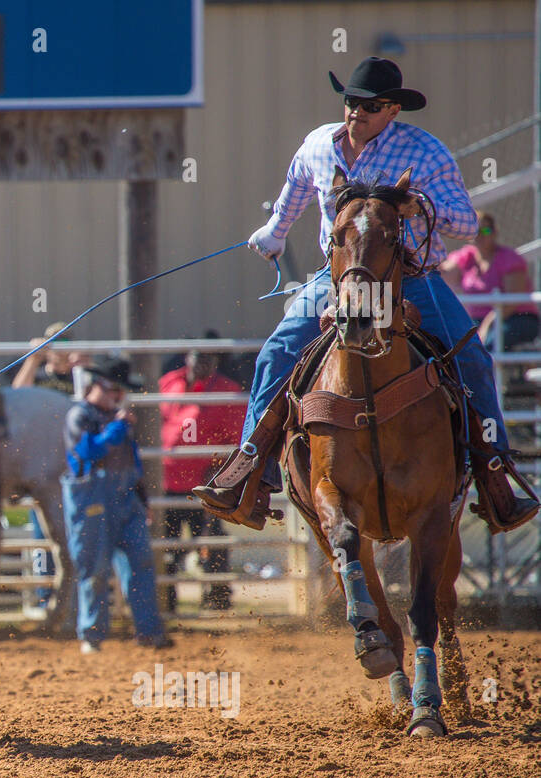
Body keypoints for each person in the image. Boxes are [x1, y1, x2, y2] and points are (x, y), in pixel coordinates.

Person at [193, 56, 539, 534]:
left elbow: (466, 221)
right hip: (339, 280)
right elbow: (297, 184)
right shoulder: (319, 144)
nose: (357, 112)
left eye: (370, 105)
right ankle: (250, 469)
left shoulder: (426, 152)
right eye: (352, 102)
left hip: (413, 278)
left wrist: (421, 206)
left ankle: (495, 477)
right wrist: (275, 231)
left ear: (393, 110)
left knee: (474, 359)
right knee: (276, 351)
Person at [62, 357, 168, 653]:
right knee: (94, 568)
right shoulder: (79, 416)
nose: (119, 397)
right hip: (94, 497)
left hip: (125, 497)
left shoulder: (114, 420)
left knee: (141, 564)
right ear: (98, 386)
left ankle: (148, 631)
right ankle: (91, 635)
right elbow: (87, 451)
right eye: (115, 391)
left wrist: (142, 498)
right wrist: (117, 430)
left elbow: (131, 460)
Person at [158, 340, 246, 612]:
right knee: (166, 545)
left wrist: (218, 471)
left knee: (211, 542)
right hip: (168, 482)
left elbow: (237, 441)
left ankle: (217, 599)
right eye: (197, 357)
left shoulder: (228, 392)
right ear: (188, 357)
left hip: (203, 484)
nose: (202, 363)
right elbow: (154, 423)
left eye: (208, 358)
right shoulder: (169, 383)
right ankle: (166, 601)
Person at [441, 212, 539, 352]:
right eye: (475, 231)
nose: (480, 235)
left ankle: (488, 373)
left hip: (515, 318)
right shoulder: (466, 256)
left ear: (494, 233)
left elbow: (511, 302)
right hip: (478, 321)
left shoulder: (509, 258)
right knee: (454, 344)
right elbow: (443, 273)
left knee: (488, 345)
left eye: (485, 230)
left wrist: (487, 324)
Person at [12, 322, 84, 394]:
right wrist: (33, 358)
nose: (58, 349)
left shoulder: (79, 373)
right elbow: (18, 394)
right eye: (54, 341)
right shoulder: (35, 374)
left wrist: (83, 363)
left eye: (63, 342)